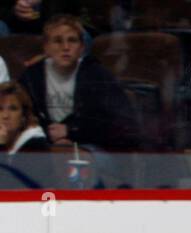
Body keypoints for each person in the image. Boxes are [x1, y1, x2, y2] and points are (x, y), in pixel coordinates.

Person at [19, 13, 140, 151]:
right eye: (58, 41)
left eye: (72, 40)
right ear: (46, 47)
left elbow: (123, 125)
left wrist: (71, 131)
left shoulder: (97, 75)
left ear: (82, 47)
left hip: (90, 146)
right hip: (45, 146)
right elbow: (20, 119)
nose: (65, 47)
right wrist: (48, 135)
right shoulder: (31, 77)